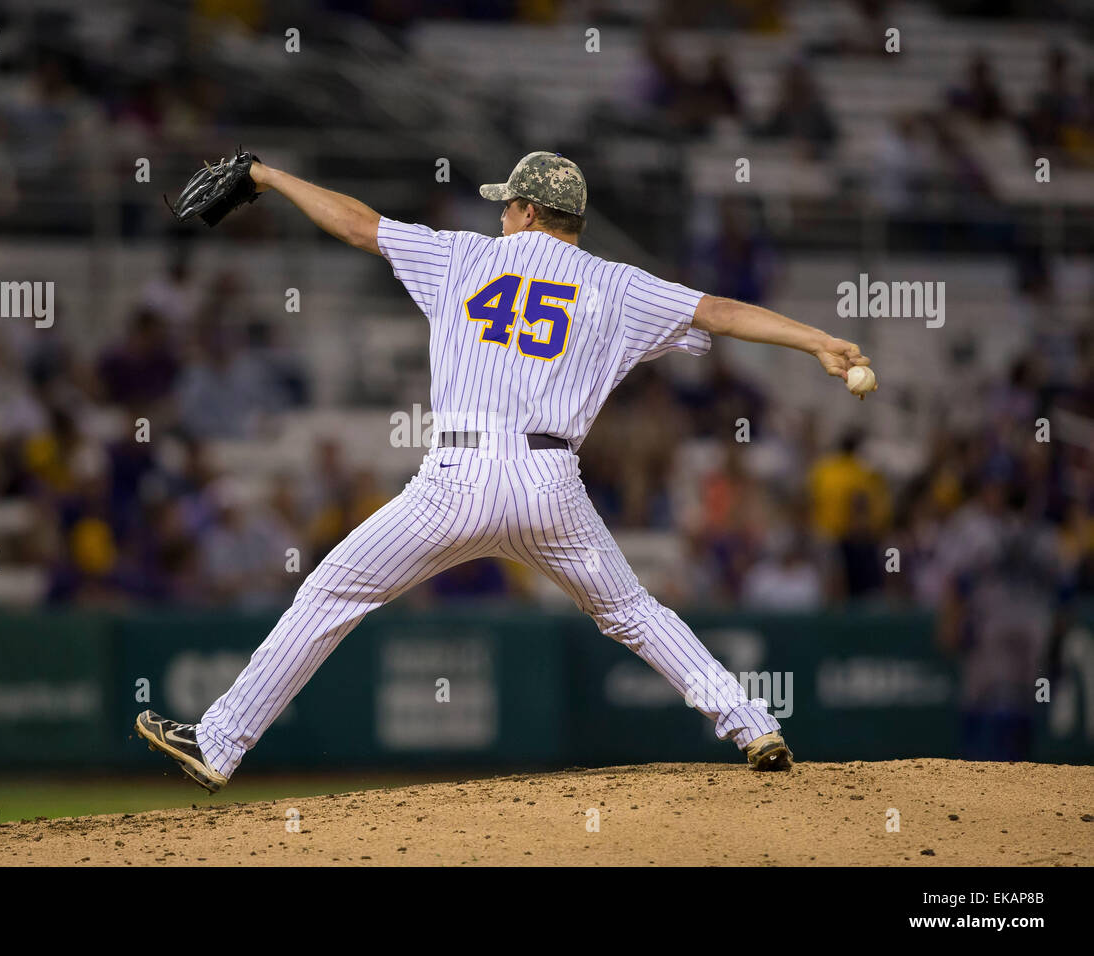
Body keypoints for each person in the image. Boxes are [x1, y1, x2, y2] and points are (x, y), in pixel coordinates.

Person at [137, 151, 874, 790]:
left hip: (455, 476)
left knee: (331, 592)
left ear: (525, 210)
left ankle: (220, 743)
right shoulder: (616, 284)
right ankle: (751, 725)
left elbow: (359, 223)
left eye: (505, 208)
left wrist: (267, 176)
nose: (499, 218)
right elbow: (717, 310)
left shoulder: (462, 255)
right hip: (551, 486)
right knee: (632, 613)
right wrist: (818, 342)